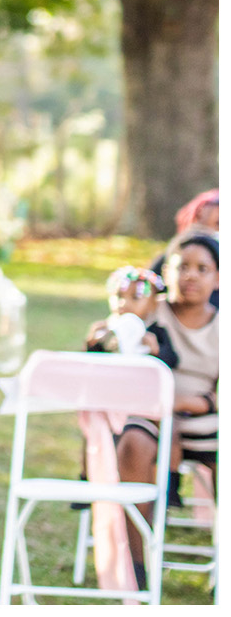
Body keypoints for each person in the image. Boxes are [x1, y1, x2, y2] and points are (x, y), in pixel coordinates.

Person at [115, 233, 218, 590]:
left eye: (202, 269)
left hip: (206, 414)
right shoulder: (148, 312)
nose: (191, 276)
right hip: (149, 408)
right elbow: (117, 348)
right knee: (133, 442)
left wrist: (194, 403)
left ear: (218, 277)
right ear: (166, 272)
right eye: (182, 267)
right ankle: (137, 563)